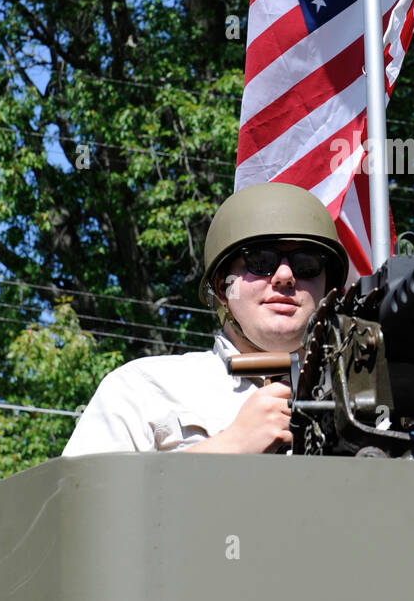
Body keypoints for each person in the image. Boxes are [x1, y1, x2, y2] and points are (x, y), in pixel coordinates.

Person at [61, 183, 349, 456]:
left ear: (328, 289)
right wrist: (232, 445)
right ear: (224, 287)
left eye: (307, 264)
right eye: (261, 261)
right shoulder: (142, 390)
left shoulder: (367, 397)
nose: (285, 276)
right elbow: (80, 499)